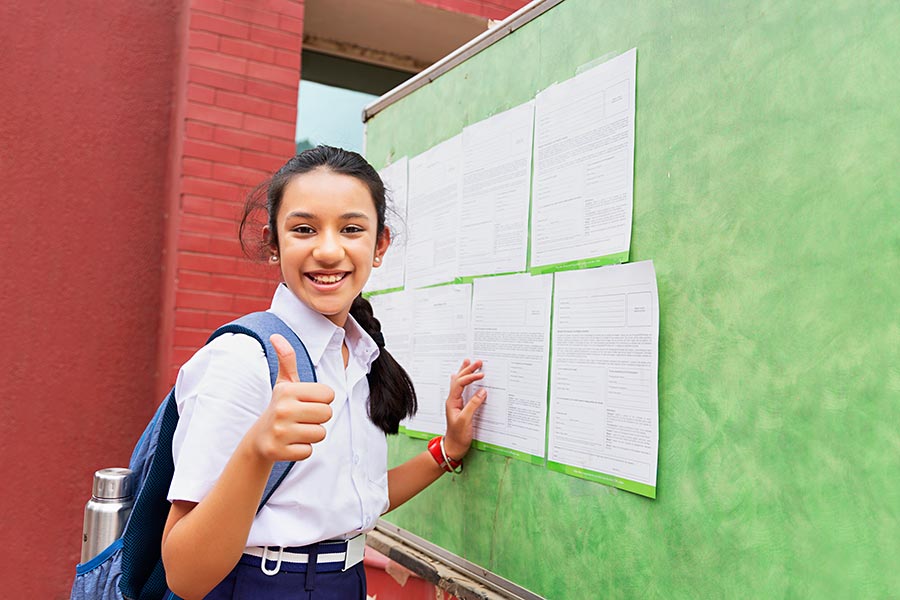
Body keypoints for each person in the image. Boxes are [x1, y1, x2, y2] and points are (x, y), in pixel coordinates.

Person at [160, 145, 487, 600]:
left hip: (345, 582)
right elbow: (185, 574)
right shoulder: (243, 361)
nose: (329, 250)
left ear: (380, 245)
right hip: (259, 586)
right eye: (303, 229)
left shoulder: (358, 353)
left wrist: (446, 450)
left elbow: (349, 502)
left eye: (351, 229)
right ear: (274, 244)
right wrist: (258, 451)